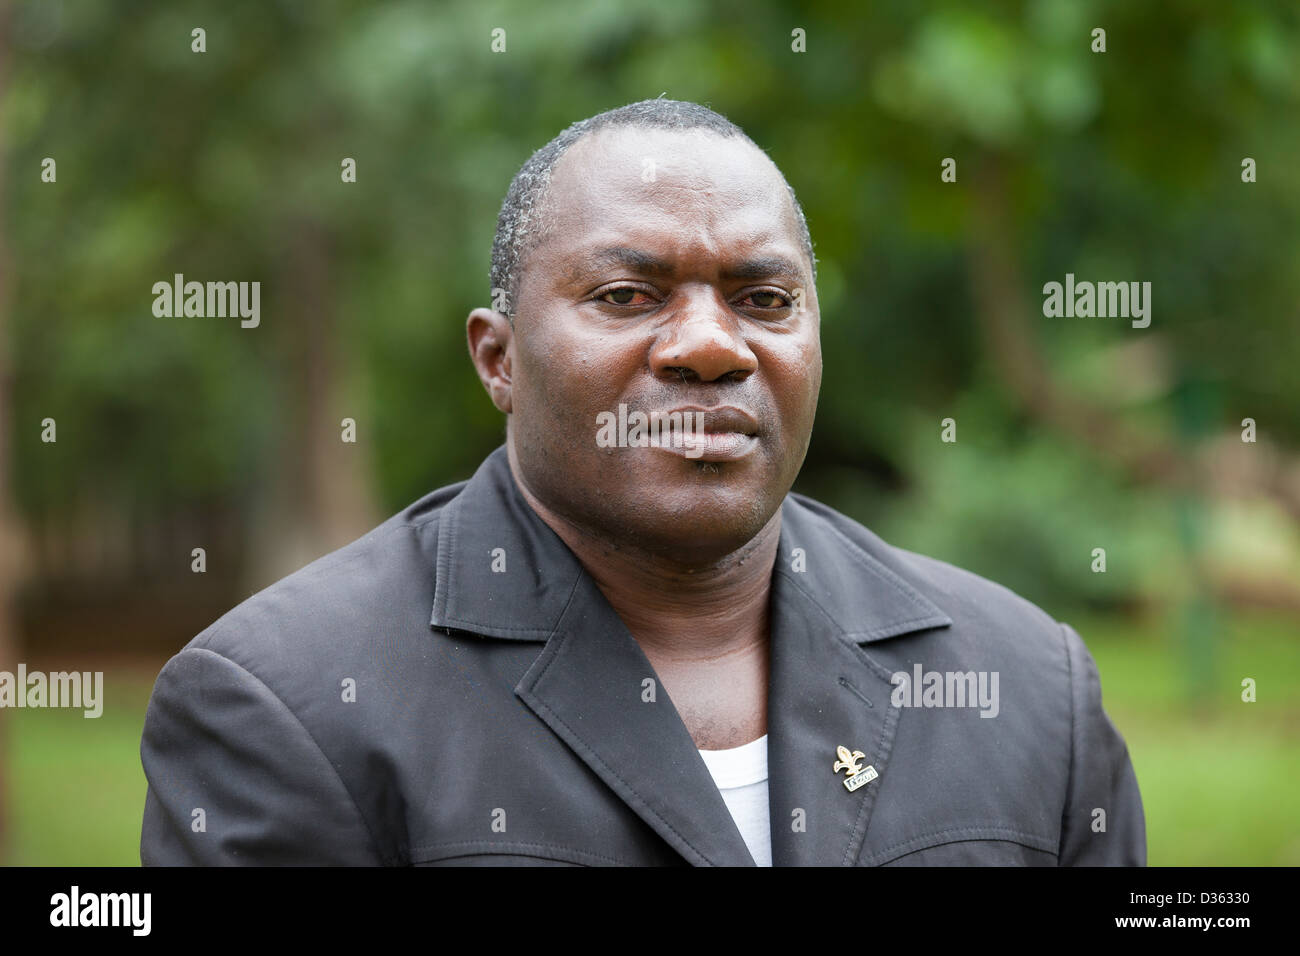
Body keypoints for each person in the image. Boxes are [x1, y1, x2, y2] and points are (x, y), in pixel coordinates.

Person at [140, 98, 1145, 866]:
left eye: (763, 298)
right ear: (499, 358)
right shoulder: (286, 706)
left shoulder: (1026, 690)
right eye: (626, 294)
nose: (711, 346)